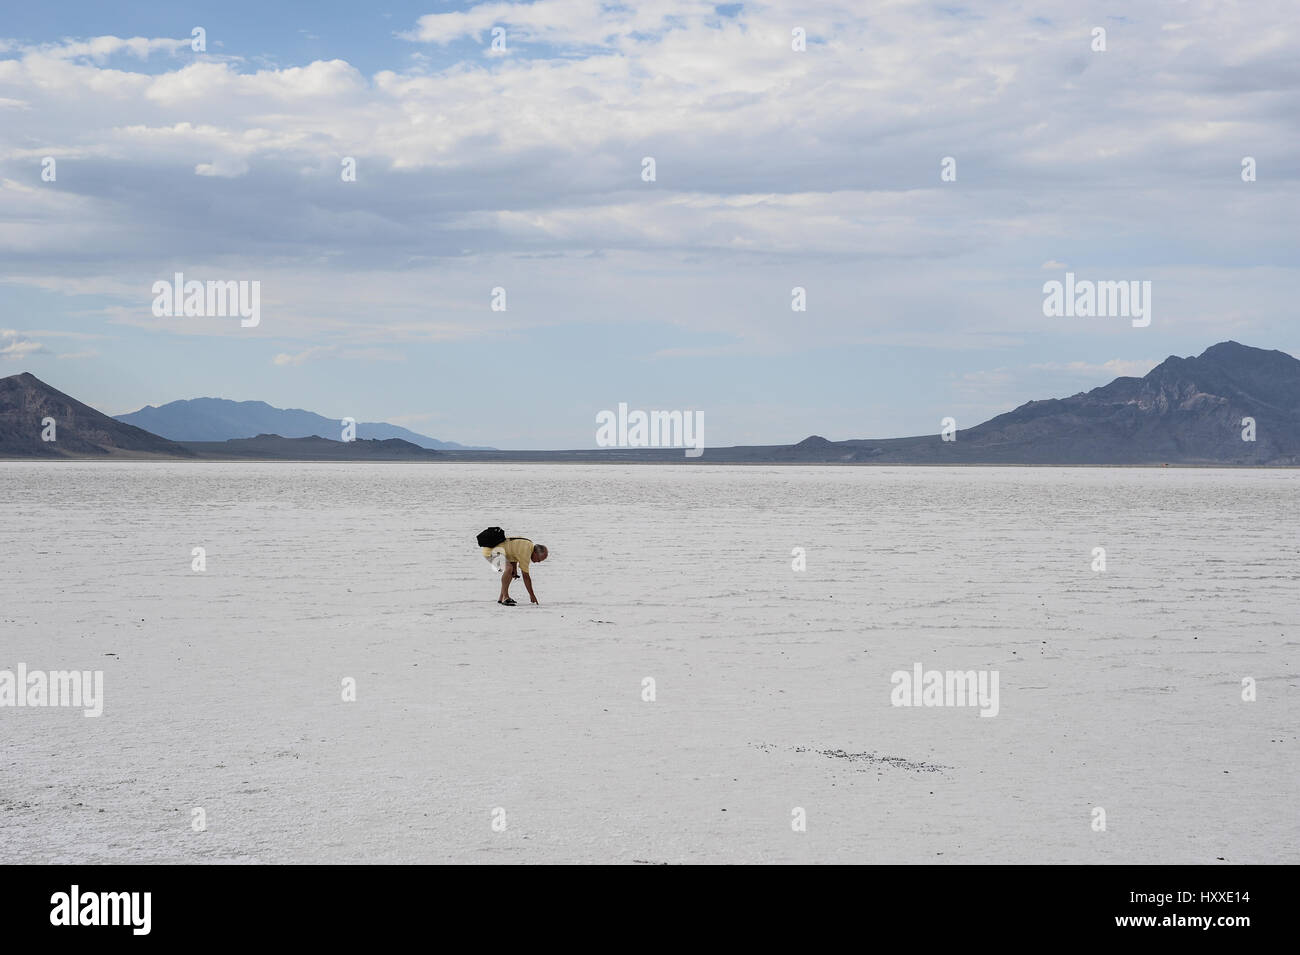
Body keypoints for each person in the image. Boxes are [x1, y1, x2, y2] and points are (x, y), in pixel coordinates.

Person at [481, 536, 548, 605]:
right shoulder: (527, 552)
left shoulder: (528, 545)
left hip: (497, 550)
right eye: (539, 559)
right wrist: (532, 595)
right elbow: (526, 576)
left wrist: (515, 568)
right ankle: (505, 598)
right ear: (535, 553)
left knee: (511, 571)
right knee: (509, 568)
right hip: (491, 551)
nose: (539, 562)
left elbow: (513, 551)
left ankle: (501, 598)